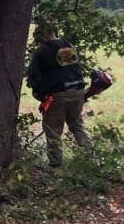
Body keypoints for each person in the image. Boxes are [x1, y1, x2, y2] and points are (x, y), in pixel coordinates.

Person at [25, 25, 94, 167]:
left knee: (53, 132)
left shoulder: (41, 50)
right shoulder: (69, 45)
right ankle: (92, 159)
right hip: (78, 91)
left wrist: (37, 91)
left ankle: (56, 165)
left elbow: (33, 74)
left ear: (40, 35)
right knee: (77, 126)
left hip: (56, 95)